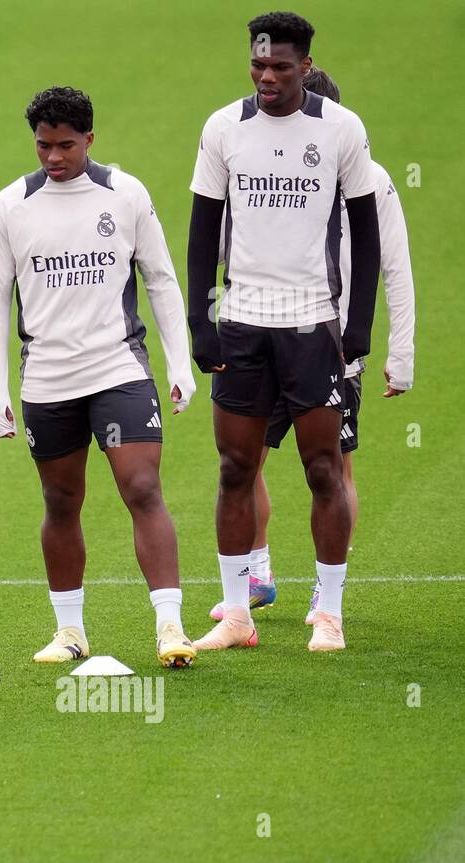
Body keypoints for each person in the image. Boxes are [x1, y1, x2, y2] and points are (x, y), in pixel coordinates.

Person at [0, 87, 198, 669]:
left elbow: (161, 280)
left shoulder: (125, 195)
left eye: (66, 145)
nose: (53, 157)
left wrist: (180, 363)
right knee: (60, 499)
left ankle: (171, 626)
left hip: (117, 370)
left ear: (91, 139)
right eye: (44, 145)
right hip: (47, 380)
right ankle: (70, 630)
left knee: (142, 487)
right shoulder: (10, 207)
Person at [187, 12, 381, 655]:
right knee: (235, 468)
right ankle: (238, 615)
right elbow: (201, 231)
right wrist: (200, 323)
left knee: (324, 469)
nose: (267, 77)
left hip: (312, 325)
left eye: (280, 67)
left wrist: (358, 325)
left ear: (305, 65)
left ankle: (329, 612)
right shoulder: (223, 128)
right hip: (243, 324)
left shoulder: (340, 130)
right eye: (258, 64)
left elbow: (367, 233)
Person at [207, 66, 416, 624]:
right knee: (243, 464)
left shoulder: (372, 179)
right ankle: (257, 575)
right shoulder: (251, 157)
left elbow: (394, 266)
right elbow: (231, 242)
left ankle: (328, 597)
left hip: (331, 343)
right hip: (259, 331)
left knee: (330, 469)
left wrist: (398, 353)